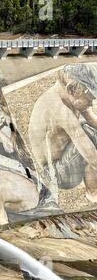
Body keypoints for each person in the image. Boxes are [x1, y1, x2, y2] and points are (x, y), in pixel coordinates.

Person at [28, 64, 97, 202]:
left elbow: (92, 120)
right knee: (89, 139)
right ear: (72, 88)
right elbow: (90, 154)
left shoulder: (71, 96)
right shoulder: (58, 108)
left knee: (89, 130)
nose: (92, 103)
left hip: (64, 158)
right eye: (90, 96)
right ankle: (93, 193)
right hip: (56, 173)